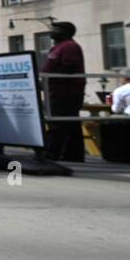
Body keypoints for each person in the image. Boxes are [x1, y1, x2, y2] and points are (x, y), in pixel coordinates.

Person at [41, 21, 86, 162]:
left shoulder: (70, 46)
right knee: (69, 125)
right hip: (56, 91)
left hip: (66, 93)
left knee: (59, 123)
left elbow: (69, 67)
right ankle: (72, 155)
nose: (52, 31)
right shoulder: (58, 47)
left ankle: (52, 153)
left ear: (66, 32)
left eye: (56, 29)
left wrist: (49, 80)